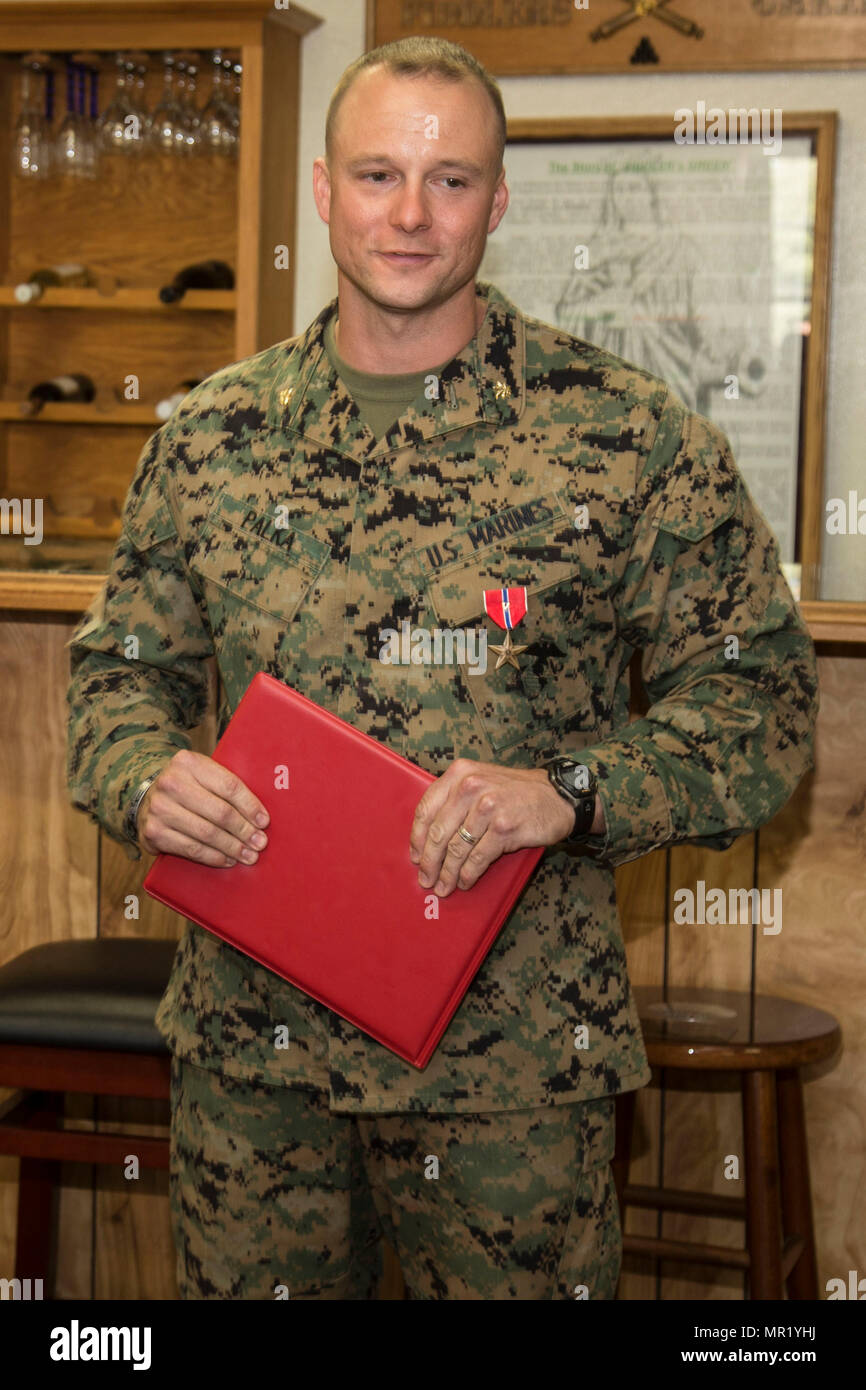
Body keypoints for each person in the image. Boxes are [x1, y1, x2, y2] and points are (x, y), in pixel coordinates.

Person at [66, 36, 818, 1301]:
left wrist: (566, 790)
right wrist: (144, 775)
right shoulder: (208, 438)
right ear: (321, 191)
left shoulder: (627, 439)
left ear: (498, 201)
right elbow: (115, 680)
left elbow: (762, 707)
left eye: (449, 180)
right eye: (376, 174)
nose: (409, 214)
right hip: (258, 1059)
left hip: (511, 1073)